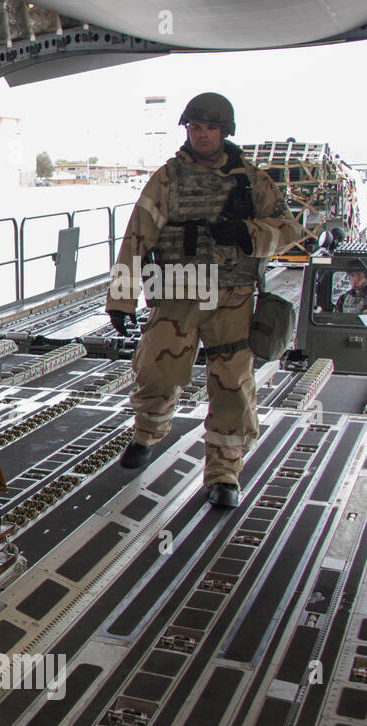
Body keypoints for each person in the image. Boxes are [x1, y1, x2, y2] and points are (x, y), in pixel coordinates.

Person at [109, 92, 302, 509]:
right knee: (156, 372)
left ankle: (224, 473)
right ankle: (146, 434)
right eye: (194, 128)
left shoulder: (253, 180)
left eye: (209, 128)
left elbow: (289, 229)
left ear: (225, 131)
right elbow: (137, 235)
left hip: (232, 298)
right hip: (176, 292)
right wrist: (121, 299)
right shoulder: (167, 178)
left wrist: (249, 233)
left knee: (232, 387)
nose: (201, 135)